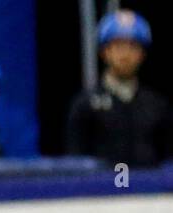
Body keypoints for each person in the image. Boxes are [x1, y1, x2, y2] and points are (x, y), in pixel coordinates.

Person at [66, 11, 172, 168]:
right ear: (105, 52)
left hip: (149, 189)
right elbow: (75, 162)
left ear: (142, 54)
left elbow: (167, 159)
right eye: (118, 45)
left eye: (133, 46)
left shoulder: (157, 105)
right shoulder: (85, 104)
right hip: (100, 189)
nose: (125, 54)